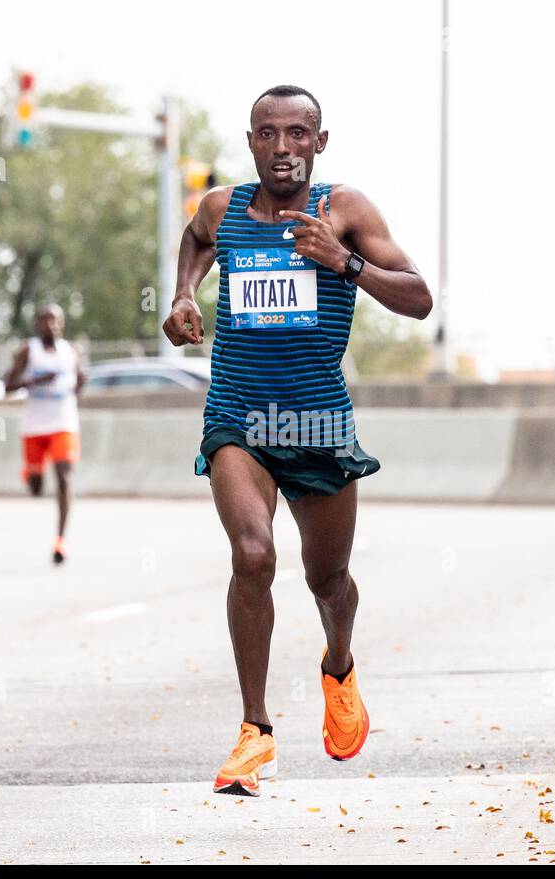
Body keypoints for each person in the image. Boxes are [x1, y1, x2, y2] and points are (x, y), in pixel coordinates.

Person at [162, 85, 433, 796]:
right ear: (250, 141)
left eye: (297, 134)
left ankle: (338, 663)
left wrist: (342, 261)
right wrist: (184, 294)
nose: (282, 147)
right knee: (252, 554)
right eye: (267, 133)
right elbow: (194, 240)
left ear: (319, 142)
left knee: (327, 580)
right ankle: (255, 731)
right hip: (239, 418)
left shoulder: (344, 211)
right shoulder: (225, 209)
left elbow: (419, 296)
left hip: (316, 423)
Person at [3, 304, 87, 564]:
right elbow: (7, 385)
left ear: (61, 324)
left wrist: (76, 389)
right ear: (36, 324)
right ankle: (30, 473)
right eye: (45, 320)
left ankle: (60, 541)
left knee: (64, 477)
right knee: (36, 488)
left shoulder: (70, 351)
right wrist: (33, 382)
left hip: (63, 423)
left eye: (55, 320)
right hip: (34, 427)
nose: (50, 325)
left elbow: (81, 379)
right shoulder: (28, 351)